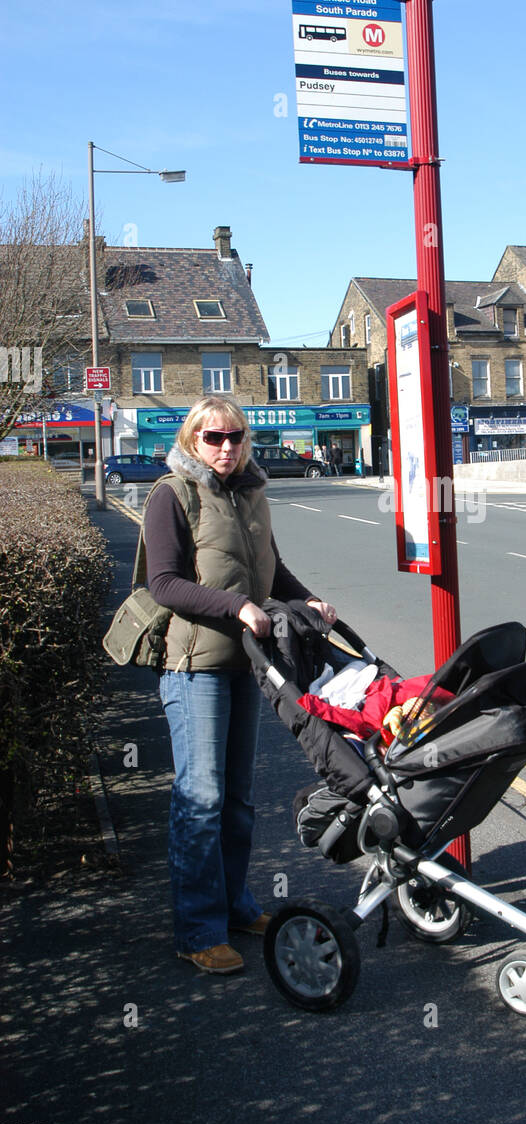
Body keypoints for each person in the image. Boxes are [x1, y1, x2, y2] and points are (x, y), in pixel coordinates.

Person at [144, 395, 337, 975]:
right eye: (212, 438)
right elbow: (164, 584)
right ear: (191, 440)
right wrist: (236, 606)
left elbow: (271, 570)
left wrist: (306, 600)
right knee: (200, 799)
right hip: (195, 667)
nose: (225, 447)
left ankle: (233, 905)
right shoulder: (171, 494)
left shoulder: (252, 493)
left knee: (238, 800)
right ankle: (197, 929)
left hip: (247, 665)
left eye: (234, 436)